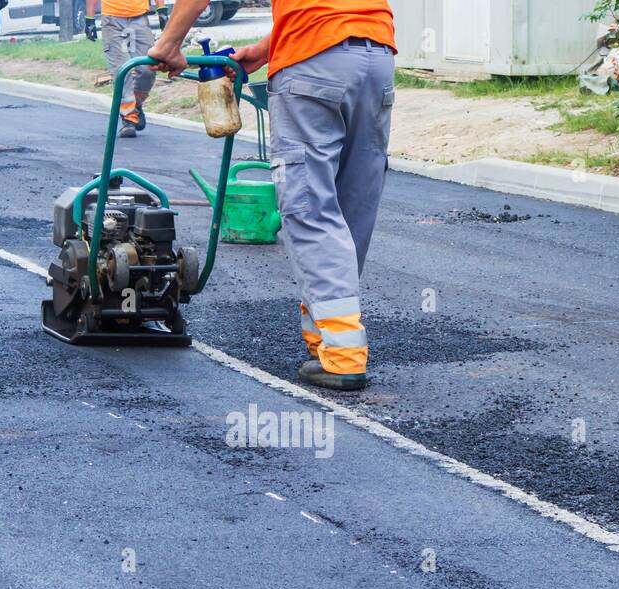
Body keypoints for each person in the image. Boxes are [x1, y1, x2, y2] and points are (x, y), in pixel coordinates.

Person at [149, 0, 395, 392]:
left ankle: (344, 355)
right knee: (353, 201)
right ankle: (325, 334)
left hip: (313, 67)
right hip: (376, 56)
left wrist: (167, 44)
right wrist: (264, 51)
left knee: (309, 206)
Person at [85, 0, 166, 139]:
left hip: (139, 18)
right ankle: (129, 118)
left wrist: (162, 10)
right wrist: (90, 19)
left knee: (148, 69)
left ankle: (136, 103)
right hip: (112, 21)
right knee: (122, 71)